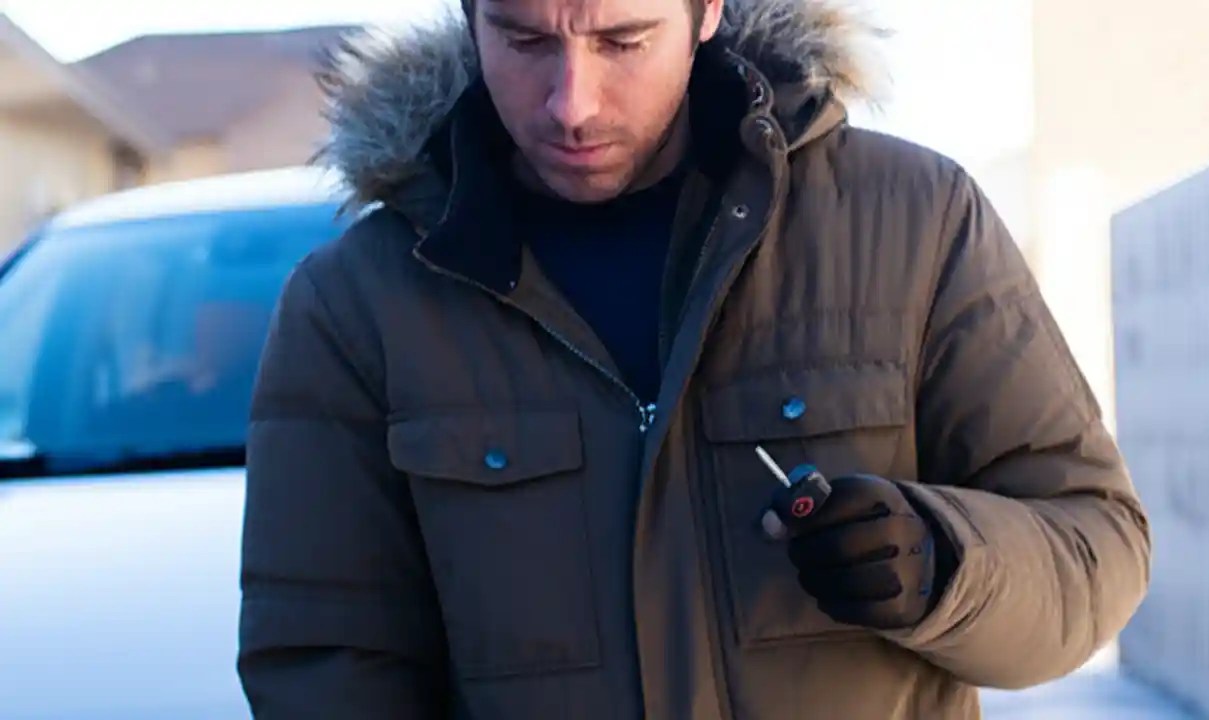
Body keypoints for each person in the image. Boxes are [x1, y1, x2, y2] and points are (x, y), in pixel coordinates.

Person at [237, 0, 1152, 717]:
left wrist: (945, 563)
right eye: (522, 42)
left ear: (707, 9)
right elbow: (323, 662)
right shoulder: (359, 305)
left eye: (623, 41)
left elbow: (1096, 544)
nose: (572, 103)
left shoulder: (912, 220)